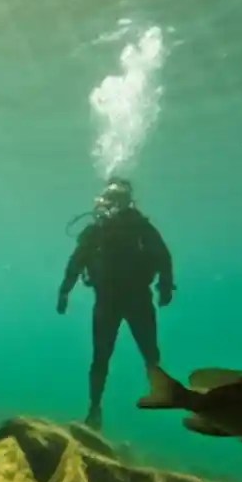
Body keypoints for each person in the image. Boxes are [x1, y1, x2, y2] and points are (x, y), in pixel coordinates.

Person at [57, 177, 175, 430]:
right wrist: (64, 291)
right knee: (106, 357)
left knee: (147, 353)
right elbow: (76, 262)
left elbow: (163, 256)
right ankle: (95, 409)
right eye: (111, 200)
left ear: (128, 202)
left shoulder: (138, 228)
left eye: (118, 200)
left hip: (131, 299)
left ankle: (163, 393)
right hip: (114, 300)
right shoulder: (98, 232)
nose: (114, 206)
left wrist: (166, 285)